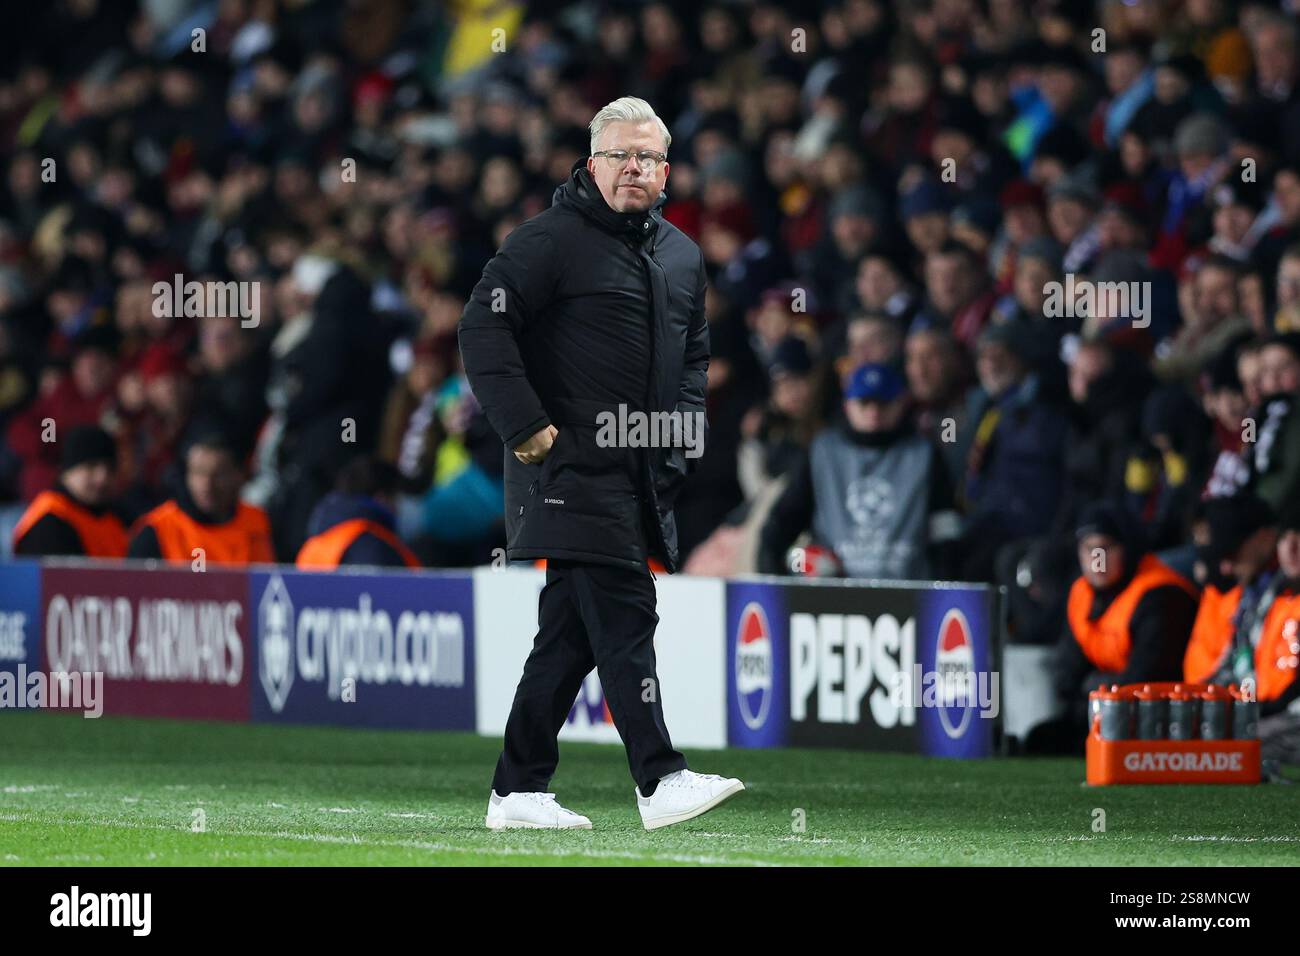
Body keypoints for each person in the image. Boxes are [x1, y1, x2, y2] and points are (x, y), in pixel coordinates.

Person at [458, 96, 743, 831]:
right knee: (625, 614)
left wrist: (677, 444)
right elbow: (482, 327)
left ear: (668, 172)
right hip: (569, 468)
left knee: (570, 636)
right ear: (592, 165)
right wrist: (526, 426)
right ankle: (660, 778)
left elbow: (694, 360)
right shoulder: (548, 240)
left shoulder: (680, 256)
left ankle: (516, 790)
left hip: (640, 473)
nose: (633, 168)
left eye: (646, 157)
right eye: (619, 155)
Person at [758, 362, 954, 579]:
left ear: (901, 403)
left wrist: (942, 586)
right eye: (864, 402)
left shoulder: (925, 454)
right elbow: (780, 528)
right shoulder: (821, 452)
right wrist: (793, 567)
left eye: (883, 403)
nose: (874, 412)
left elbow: (946, 533)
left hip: (909, 593)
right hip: (832, 595)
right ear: (847, 405)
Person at [1053, 503, 1199, 728]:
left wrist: (1095, 689)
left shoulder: (1161, 594)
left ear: (1128, 549)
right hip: (1105, 706)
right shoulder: (1082, 592)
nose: (1097, 560)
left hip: (1161, 716)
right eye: (1088, 549)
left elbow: (1145, 682)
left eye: (1106, 548)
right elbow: (1066, 675)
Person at [127, 431, 273, 567]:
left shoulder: (258, 522)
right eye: (199, 472)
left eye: (219, 474)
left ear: (239, 475)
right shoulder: (157, 529)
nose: (207, 485)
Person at [11, 425, 127, 558]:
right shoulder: (50, 521)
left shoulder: (113, 516)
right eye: (91, 467)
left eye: (110, 469)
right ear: (67, 471)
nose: (102, 478)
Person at [296, 456, 420, 570]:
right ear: (382, 498)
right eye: (396, 497)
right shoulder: (371, 545)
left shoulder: (319, 537)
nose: (399, 507)